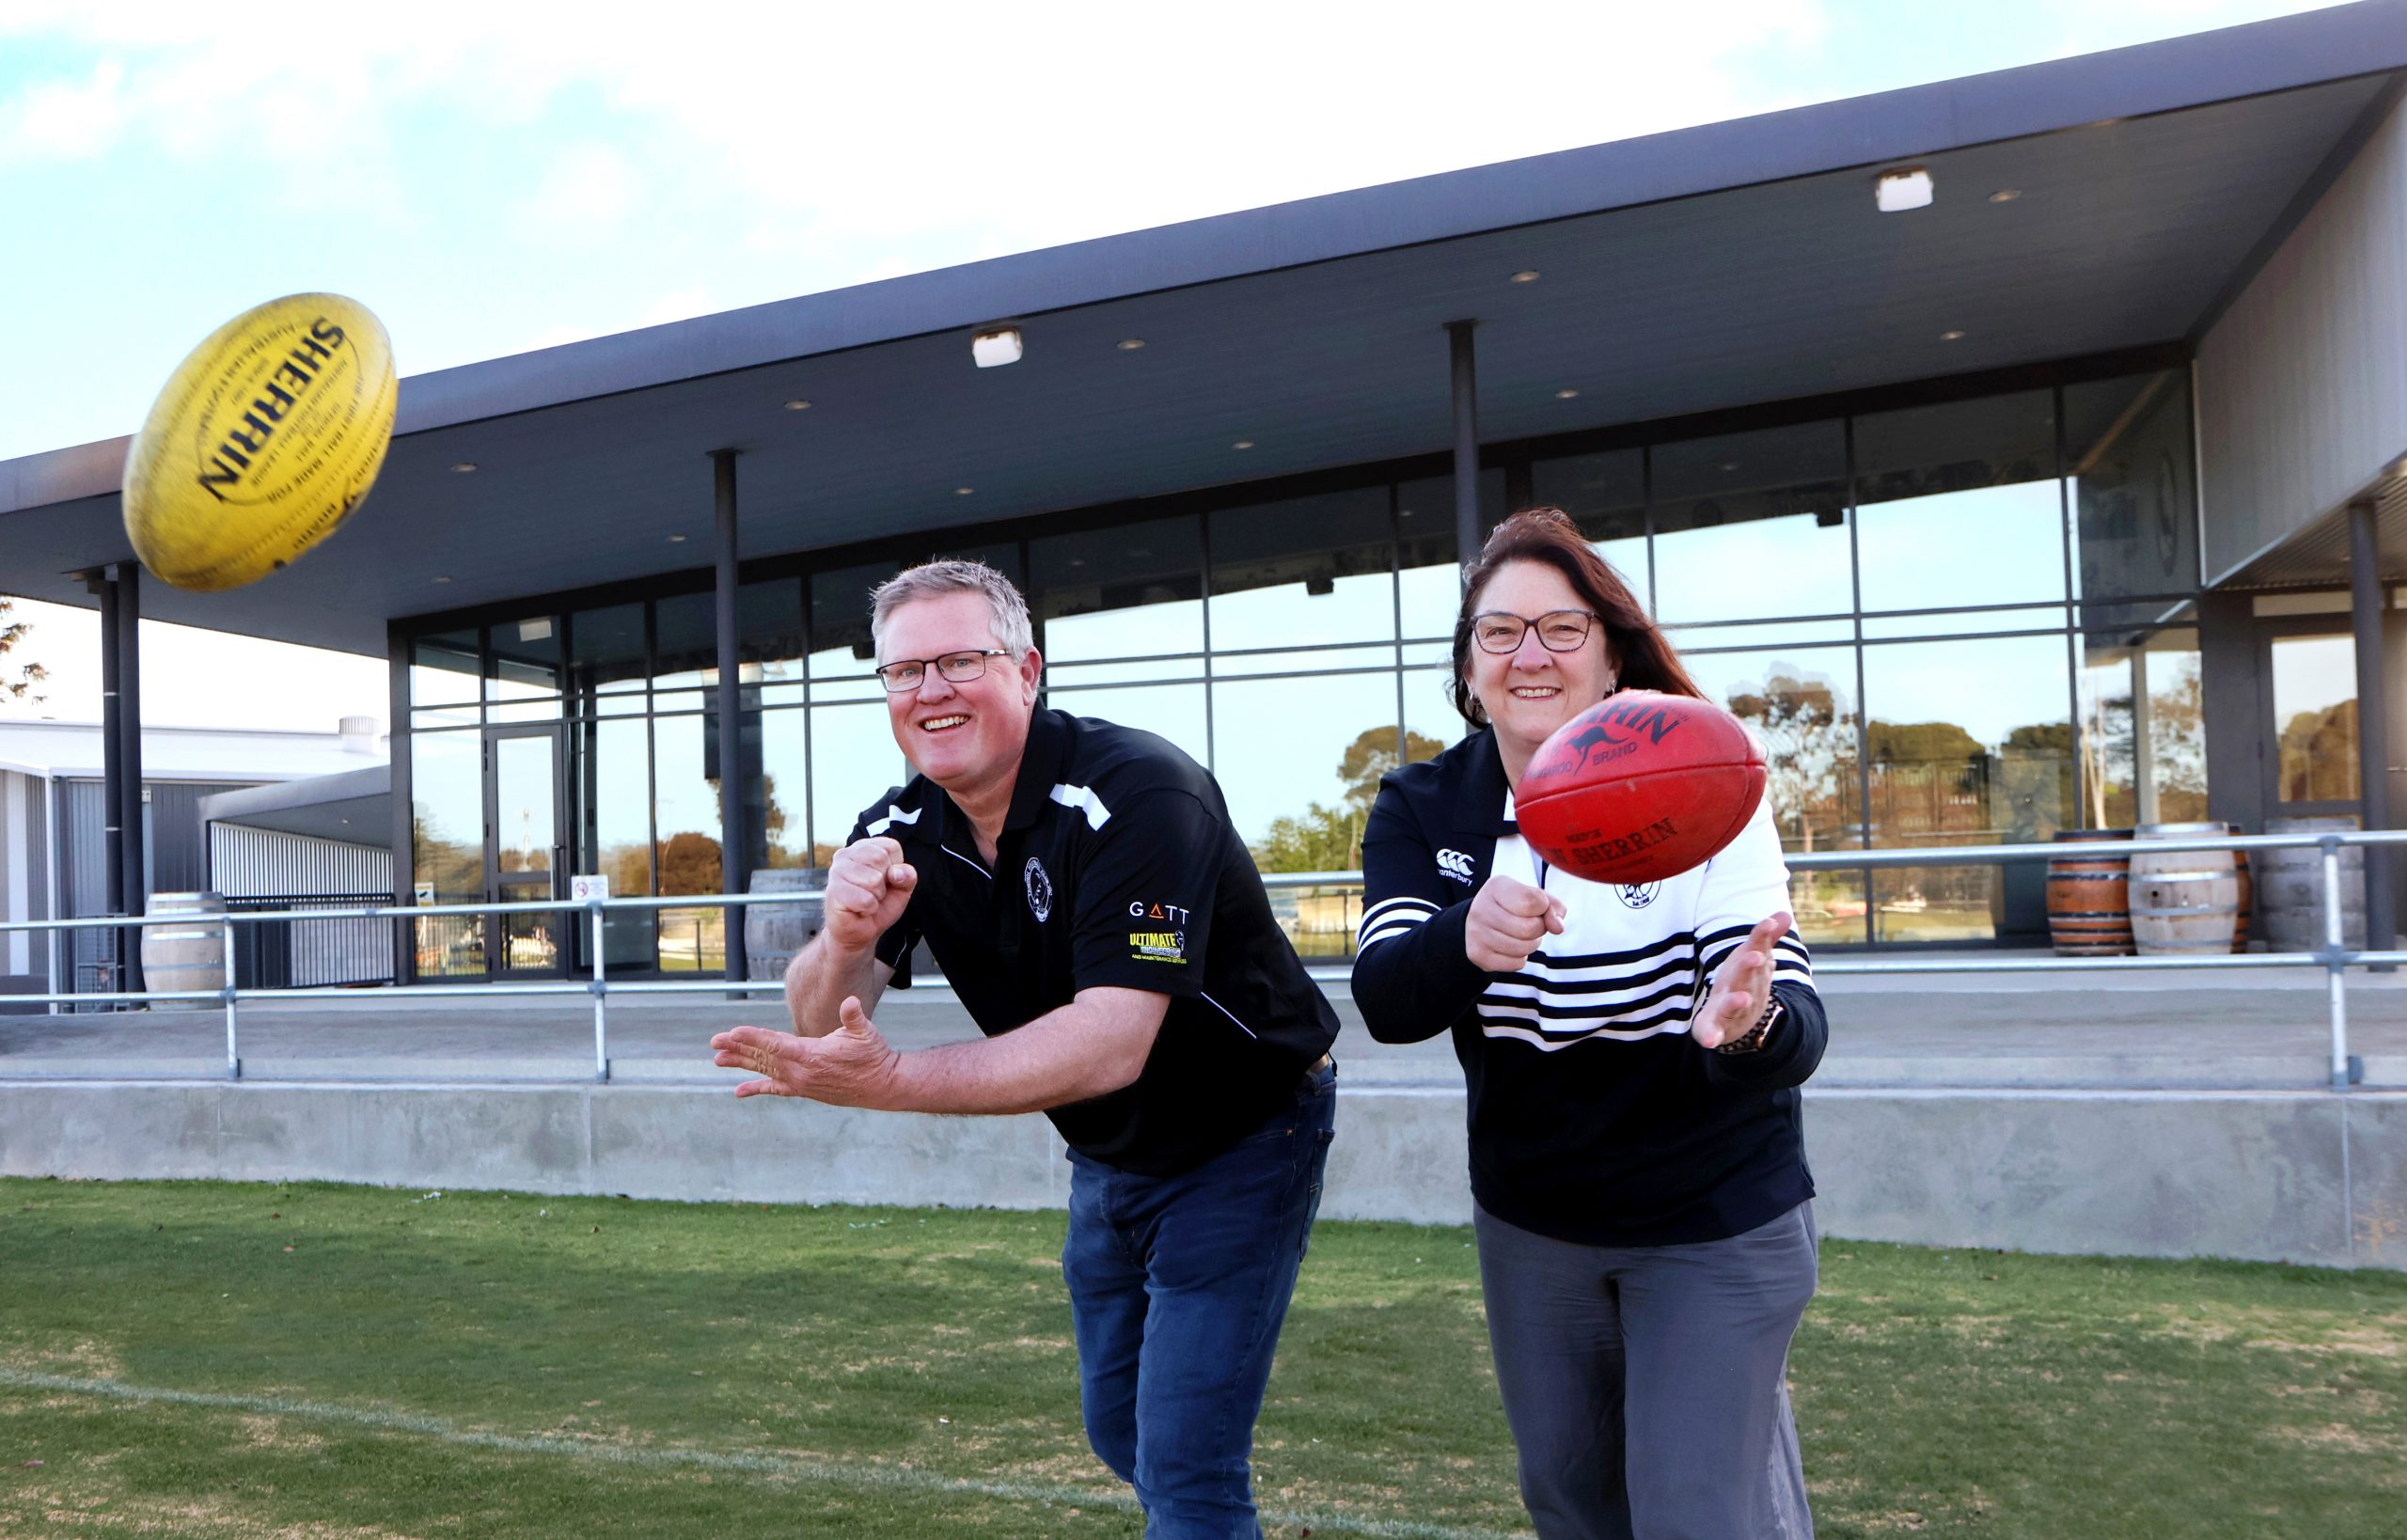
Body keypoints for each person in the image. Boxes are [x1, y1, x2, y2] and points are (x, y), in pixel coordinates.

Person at [711, 558, 1340, 1540]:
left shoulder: (1138, 792)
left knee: (1184, 1461)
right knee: (1118, 1428)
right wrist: (840, 937)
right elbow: (816, 1018)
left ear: (1027, 670)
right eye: (903, 671)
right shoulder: (900, 823)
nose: (930, 691)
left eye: (960, 660)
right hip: (1105, 1147)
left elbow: (1110, 1041)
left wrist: (892, 1083)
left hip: (1245, 1131)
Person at [1351, 508, 1826, 1540]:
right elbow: (1387, 998)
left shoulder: (1707, 776)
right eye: (1498, 631)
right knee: (1572, 1505)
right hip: (1536, 1221)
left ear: (1612, 656)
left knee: (1696, 1514)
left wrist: (1746, 1022)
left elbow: (1787, 1024)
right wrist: (1465, 937)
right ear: (1467, 667)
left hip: (1714, 1216)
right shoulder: (1427, 808)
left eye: (1561, 629)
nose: (1530, 655)